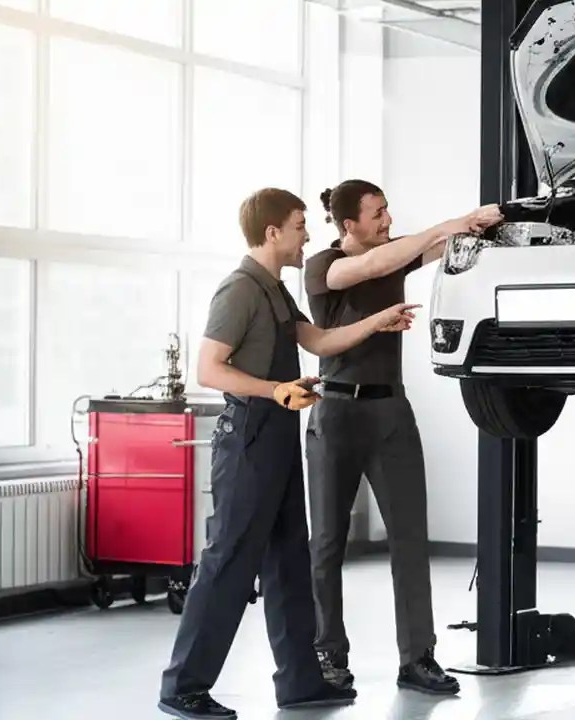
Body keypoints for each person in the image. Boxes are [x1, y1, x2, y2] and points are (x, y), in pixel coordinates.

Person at [157, 187, 419, 720]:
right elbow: (209, 369)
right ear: (273, 232)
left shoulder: (275, 290)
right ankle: (182, 686)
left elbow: (318, 342)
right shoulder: (240, 290)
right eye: (301, 226)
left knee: (288, 562)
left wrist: (378, 321)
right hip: (249, 440)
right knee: (228, 563)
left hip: (277, 437)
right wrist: (273, 389)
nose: (308, 235)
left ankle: (300, 682)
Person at [302, 179, 502, 695]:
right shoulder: (324, 266)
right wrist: (445, 225)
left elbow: (439, 247)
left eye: (388, 210)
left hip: (391, 411)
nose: (387, 220)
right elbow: (370, 267)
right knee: (326, 542)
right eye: (377, 214)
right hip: (336, 411)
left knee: (410, 540)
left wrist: (482, 222)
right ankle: (327, 655)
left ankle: (418, 658)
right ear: (349, 225)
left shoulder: (392, 253)